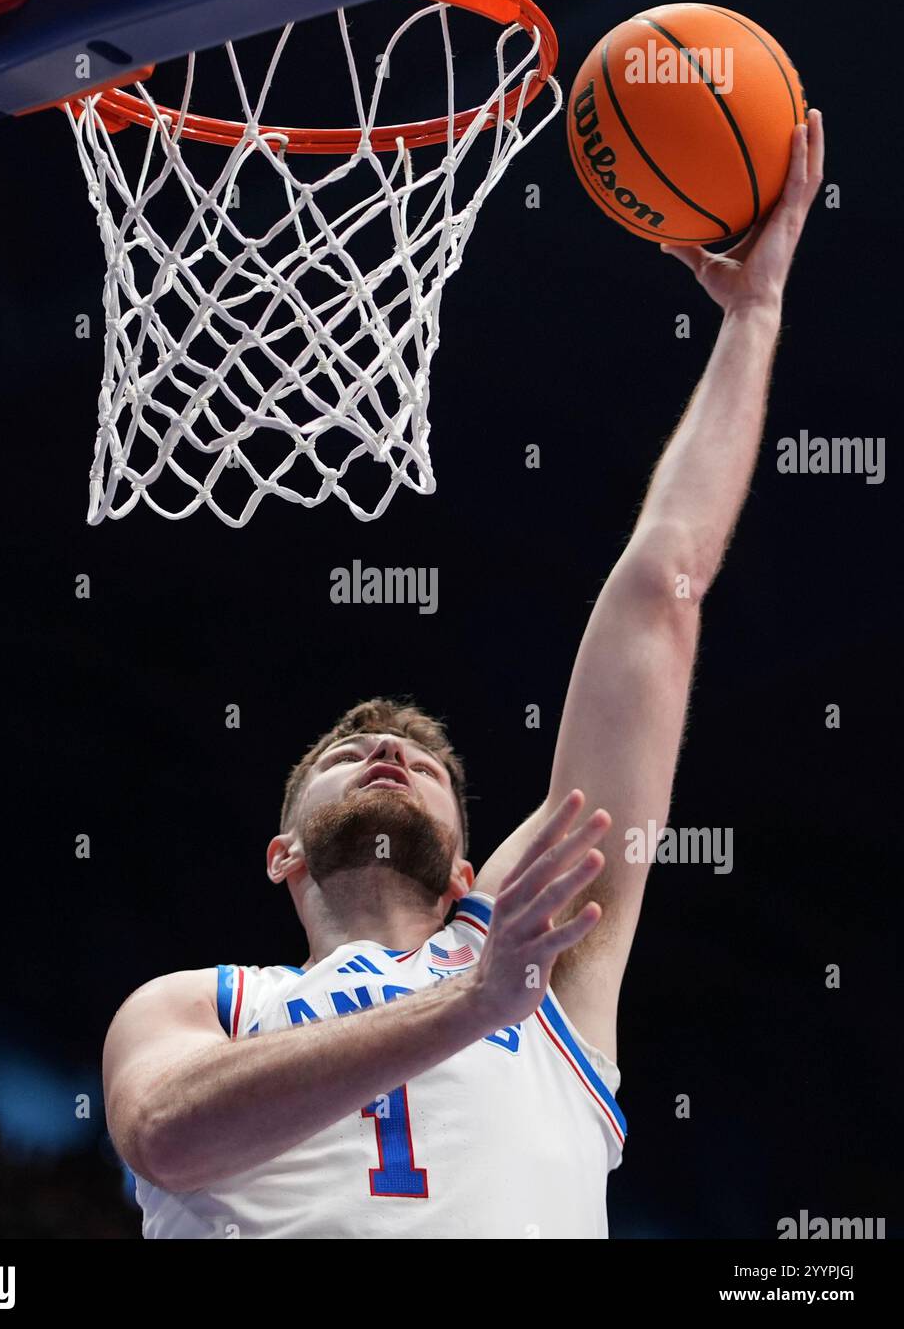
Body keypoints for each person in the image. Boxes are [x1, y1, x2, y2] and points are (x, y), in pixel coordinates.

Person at [103, 109, 825, 1238]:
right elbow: (164, 1134)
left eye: (424, 764)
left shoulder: (538, 958)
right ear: (281, 851)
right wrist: (468, 1005)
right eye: (350, 752)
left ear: (459, 878)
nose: (387, 750)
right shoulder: (206, 1002)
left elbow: (661, 590)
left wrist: (753, 317)